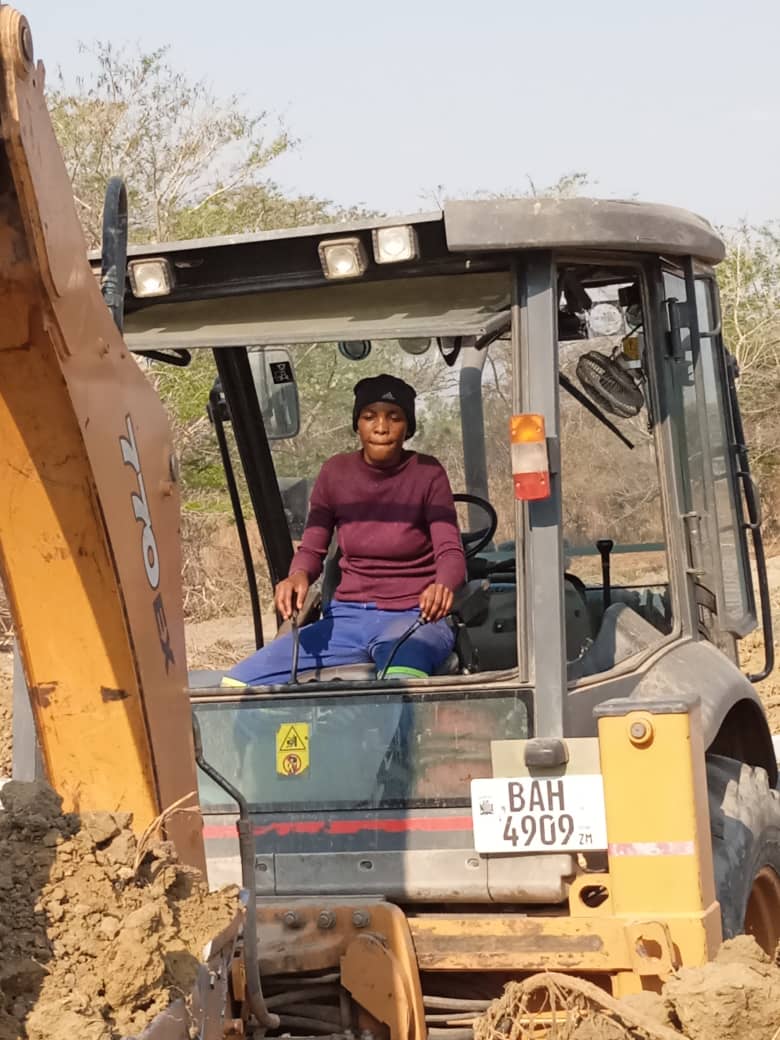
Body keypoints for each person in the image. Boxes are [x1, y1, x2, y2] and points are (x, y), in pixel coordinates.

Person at [222, 373, 466, 687]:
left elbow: (450, 551)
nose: (381, 426)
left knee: (400, 683)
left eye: (394, 417)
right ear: (357, 424)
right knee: (239, 684)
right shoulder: (335, 473)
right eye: (369, 417)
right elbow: (312, 549)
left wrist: (443, 585)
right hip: (346, 618)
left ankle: (397, 738)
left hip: (413, 616)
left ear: (408, 427)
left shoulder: (428, 473)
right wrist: (298, 575)